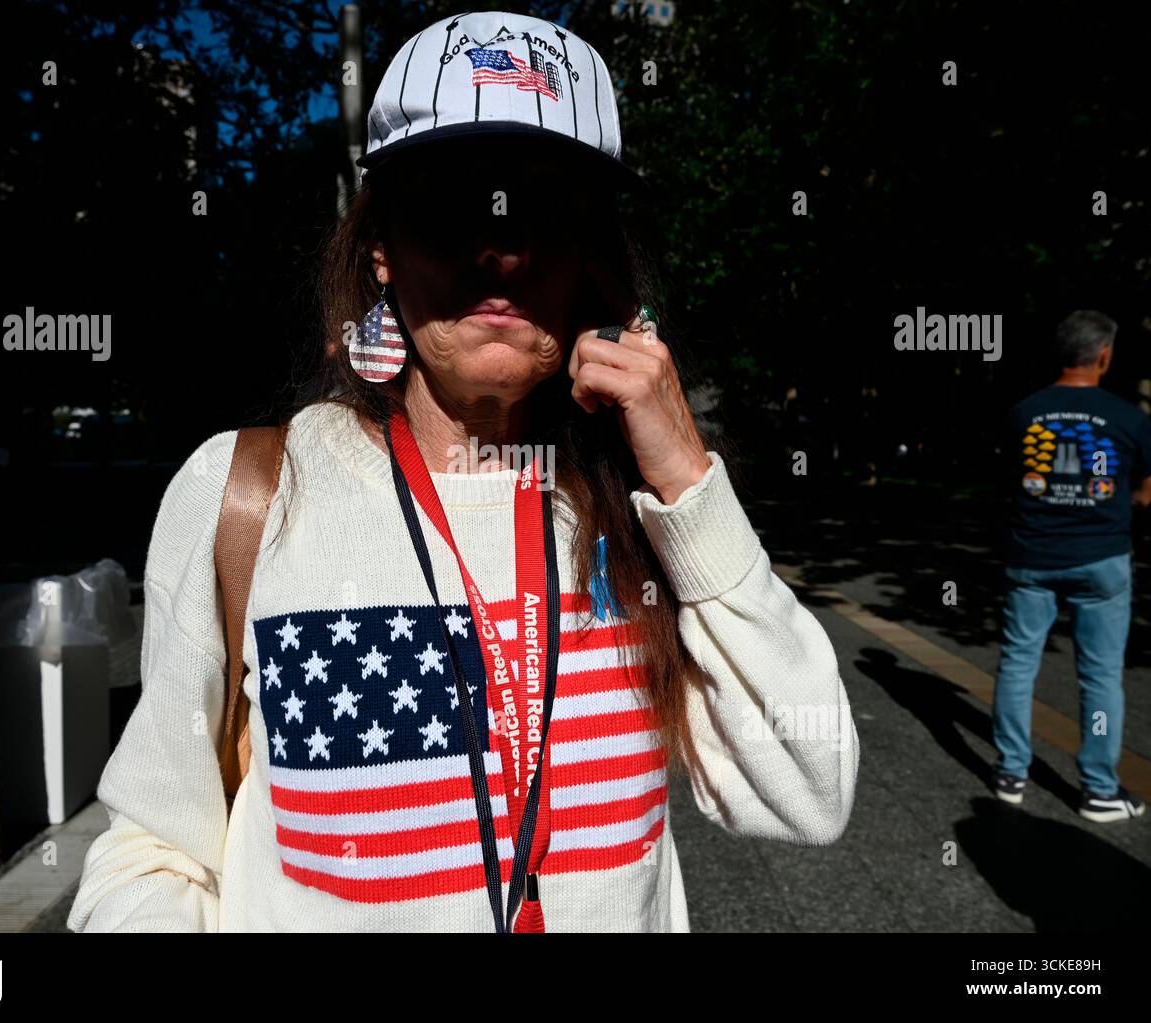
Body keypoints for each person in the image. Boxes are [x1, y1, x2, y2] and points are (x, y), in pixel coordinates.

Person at [67, 10, 858, 933]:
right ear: (381, 251)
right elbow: (152, 851)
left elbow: (811, 789)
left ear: (591, 261)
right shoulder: (246, 494)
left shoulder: (642, 512)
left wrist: (687, 477)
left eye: (547, 207)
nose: (500, 247)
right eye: (452, 200)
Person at [992, 309, 1151, 822]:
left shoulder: (1022, 413)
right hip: (1101, 561)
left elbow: (1004, 484)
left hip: (1031, 559)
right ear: (1103, 356)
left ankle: (1011, 772)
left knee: (1018, 664)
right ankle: (1099, 790)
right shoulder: (1130, 418)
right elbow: (1146, 493)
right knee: (1101, 677)